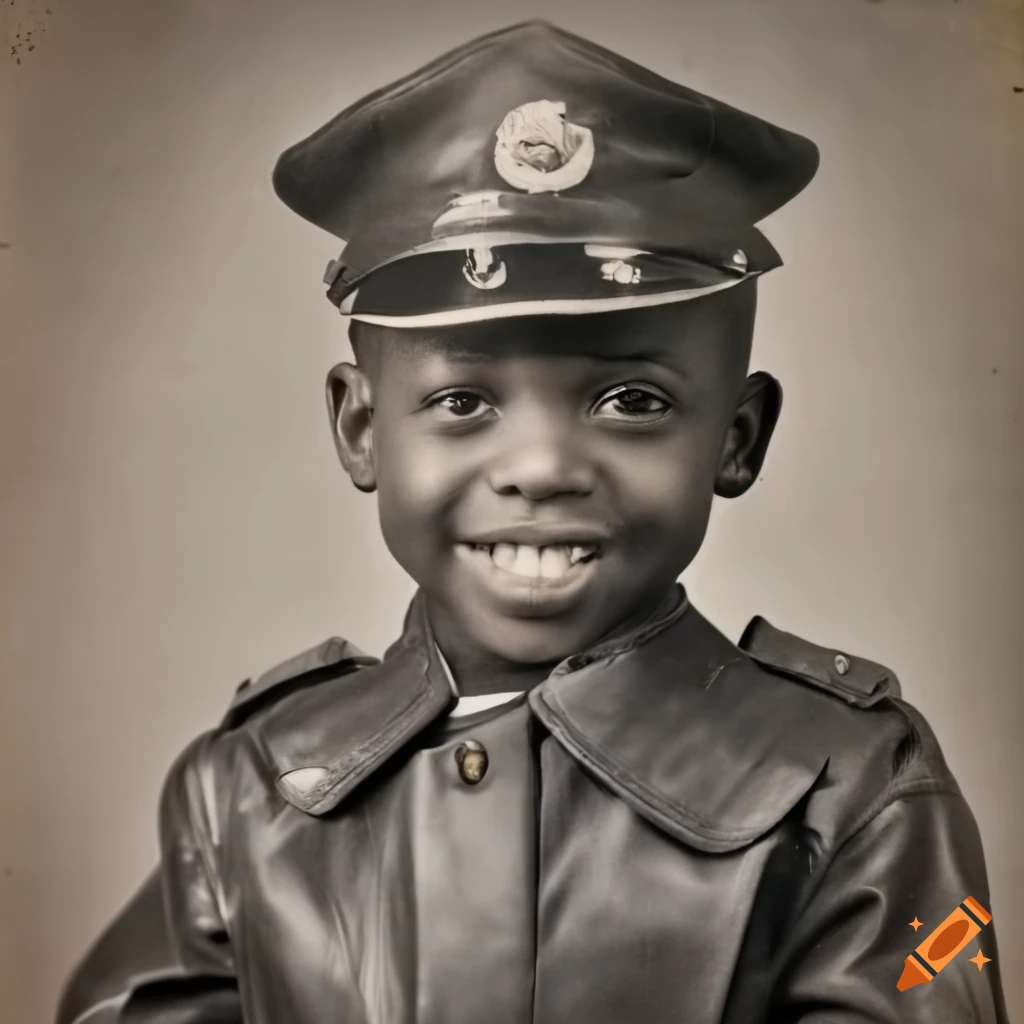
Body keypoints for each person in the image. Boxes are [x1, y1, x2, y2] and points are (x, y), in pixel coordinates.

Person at [56, 20, 1008, 1024]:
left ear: (737, 436)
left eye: (631, 401)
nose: (544, 468)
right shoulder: (249, 789)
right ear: (359, 427)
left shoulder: (847, 785)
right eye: (464, 401)